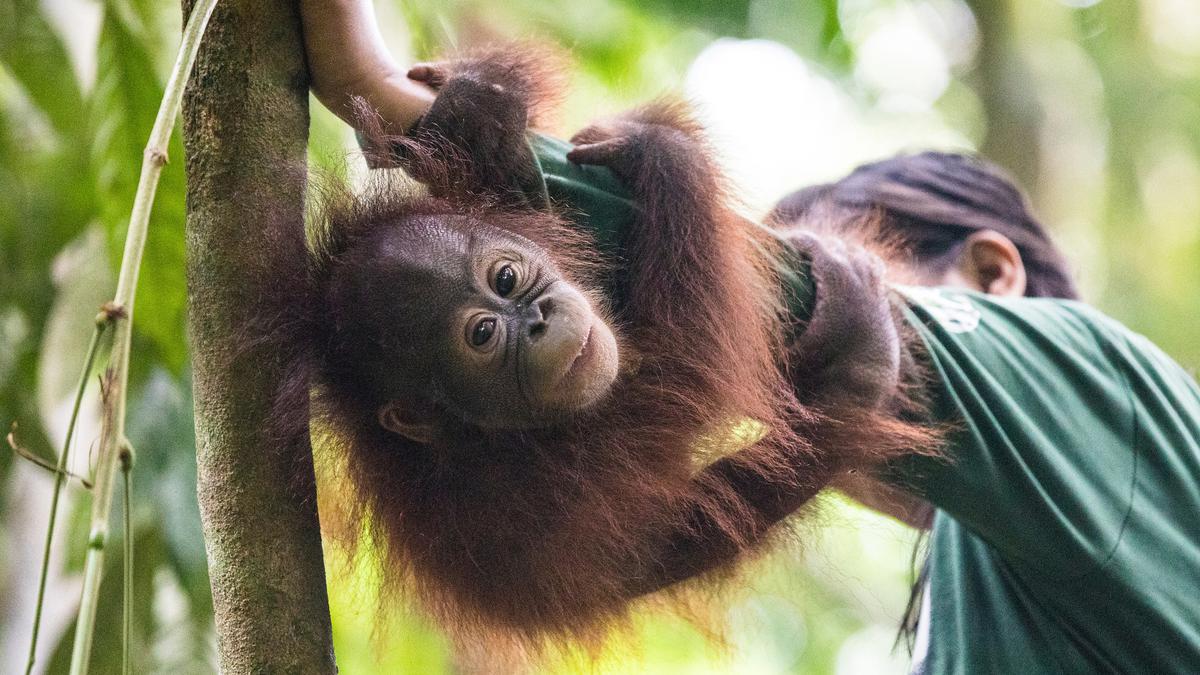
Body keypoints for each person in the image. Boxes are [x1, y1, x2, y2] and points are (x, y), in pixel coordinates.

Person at [301, 3, 1200, 672]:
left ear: (992, 272)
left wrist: (394, 101)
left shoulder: (1093, 390)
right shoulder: (979, 606)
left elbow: (800, 317)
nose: (763, 369)